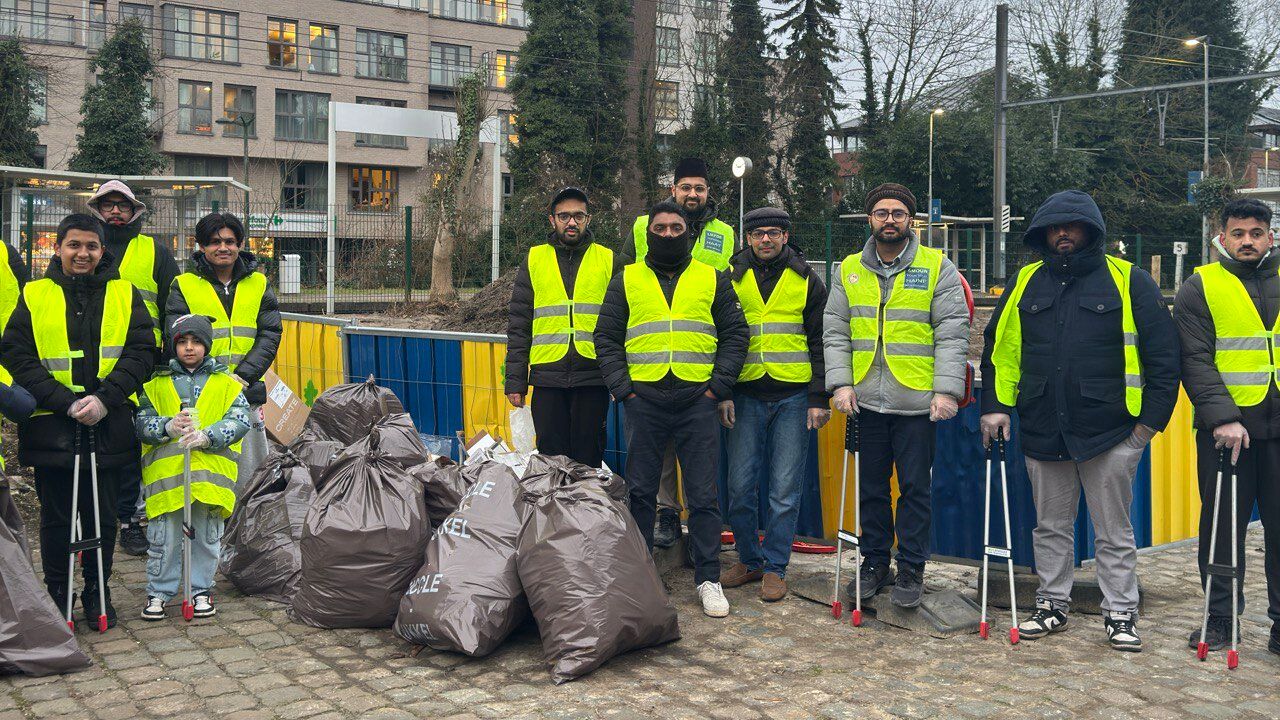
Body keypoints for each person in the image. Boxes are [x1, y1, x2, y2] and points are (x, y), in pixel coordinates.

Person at [980, 190, 1180, 652]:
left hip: (1111, 430)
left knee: (1114, 530)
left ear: (1091, 231)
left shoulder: (1128, 280)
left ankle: (1120, 612)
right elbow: (999, 351)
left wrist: (1145, 429)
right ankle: (1051, 605)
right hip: (1043, 423)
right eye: (1054, 228)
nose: (1063, 234)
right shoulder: (1026, 281)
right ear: (1043, 235)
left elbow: (1164, 359)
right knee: (1049, 526)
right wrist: (994, 406)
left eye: (1072, 227)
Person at [0, 214, 154, 628]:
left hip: (108, 423)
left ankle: (97, 590)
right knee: (56, 518)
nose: (82, 253)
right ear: (59, 248)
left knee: (102, 516)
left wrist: (105, 399)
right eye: (74, 245)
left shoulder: (125, 293)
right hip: (54, 425)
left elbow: (141, 351)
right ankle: (58, 593)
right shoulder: (35, 294)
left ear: (103, 250)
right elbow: (17, 353)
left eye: (91, 246)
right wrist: (66, 401)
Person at [595, 199, 748, 617]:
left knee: (703, 495)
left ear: (688, 233)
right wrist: (624, 391)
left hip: (697, 401)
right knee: (641, 492)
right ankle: (642, 576)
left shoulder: (712, 278)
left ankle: (709, 579)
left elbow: (736, 334)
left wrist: (717, 388)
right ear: (648, 233)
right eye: (659, 228)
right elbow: (606, 338)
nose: (666, 234)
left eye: (674, 228)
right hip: (643, 401)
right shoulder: (626, 279)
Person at [822, 183, 970, 608]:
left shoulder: (936, 265)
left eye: (898, 213)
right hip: (865, 400)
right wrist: (841, 383)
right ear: (869, 219)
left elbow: (952, 332)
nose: (890, 219)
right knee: (871, 489)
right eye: (882, 212)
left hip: (916, 402)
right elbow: (835, 330)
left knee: (914, 490)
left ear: (911, 220)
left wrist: (945, 391)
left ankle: (911, 566)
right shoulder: (849, 269)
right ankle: (873, 562)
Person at [1175, 198, 1280, 657]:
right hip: (1228, 432)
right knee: (1222, 528)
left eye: (1256, 233)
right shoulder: (1201, 286)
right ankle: (1219, 620)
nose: (1247, 241)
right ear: (1223, 236)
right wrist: (1223, 417)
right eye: (1238, 233)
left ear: (1270, 236)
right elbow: (1194, 359)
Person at [624, 157, 737, 549]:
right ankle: (667, 515)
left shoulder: (725, 233)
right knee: (656, 463)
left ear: (708, 193)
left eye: (699, 188)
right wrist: (626, 386)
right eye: (685, 187)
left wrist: (718, 385)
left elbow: (731, 302)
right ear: (673, 189)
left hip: (698, 368)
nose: (692, 194)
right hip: (651, 365)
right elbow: (621, 287)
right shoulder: (643, 226)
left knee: (699, 468)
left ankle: (701, 544)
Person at [719, 207, 830, 602]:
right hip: (745, 394)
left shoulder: (807, 280)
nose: (765, 239)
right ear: (747, 238)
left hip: (794, 396)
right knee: (739, 486)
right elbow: (721, 336)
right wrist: (724, 391)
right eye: (758, 233)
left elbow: (821, 342)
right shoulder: (730, 279)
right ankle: (749, 559)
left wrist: (819, 397)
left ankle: (775, 568)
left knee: (784, 489)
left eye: (773, 232)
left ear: (786, 235)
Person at [86, 180, 181, 557]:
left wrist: (170, 350)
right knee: (105, 438)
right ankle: (101, 516)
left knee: (137, 437)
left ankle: (131, 520)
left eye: (121, 206)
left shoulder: (153, 250)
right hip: (95, 359)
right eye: (108, 205)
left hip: (144, 358)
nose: (115, 212)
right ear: (97, 210)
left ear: (134, 211)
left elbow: (174, 300)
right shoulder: (86, 247)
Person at [135, 314, 251, 620]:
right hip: (168, 483)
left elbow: (239, 420)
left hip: (209, 483)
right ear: (173, 346)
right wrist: (167, 426)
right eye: (182, 342)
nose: (189, 348)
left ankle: (201, 589)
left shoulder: (226, 384)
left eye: (196, 342)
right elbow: (142, 424)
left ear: (207, 345)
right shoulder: (155, 386)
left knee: (207, 539)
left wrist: (208, 436)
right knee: (164, 539)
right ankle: (159, 591)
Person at [504, 187, 622, 467]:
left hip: (593, 377)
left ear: (588, 219)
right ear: (552, 220)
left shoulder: (608, 260)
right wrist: (515, 381)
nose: (571, 222)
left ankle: (584, 511)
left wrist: (618, 376)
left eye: (578, 216)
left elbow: (621, 324)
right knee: (550, 461)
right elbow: (520, 324)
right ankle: (553, 511)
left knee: (588, 460)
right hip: (547, 379)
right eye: (564, 216)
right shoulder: (534, 259)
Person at [166, 213, 281, 486]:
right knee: (208, 470)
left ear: (240, 244)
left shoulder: (259, 284)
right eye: (215, 242)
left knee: (251, 472)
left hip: (246, 388)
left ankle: (247, 525)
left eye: (230, 241)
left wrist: (244, 376)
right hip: (201, 392)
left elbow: (270, 333)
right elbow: (178, 337)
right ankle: (214, 527)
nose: (223, 248)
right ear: (201, 246)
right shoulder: (183, 285)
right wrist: (214, 381)